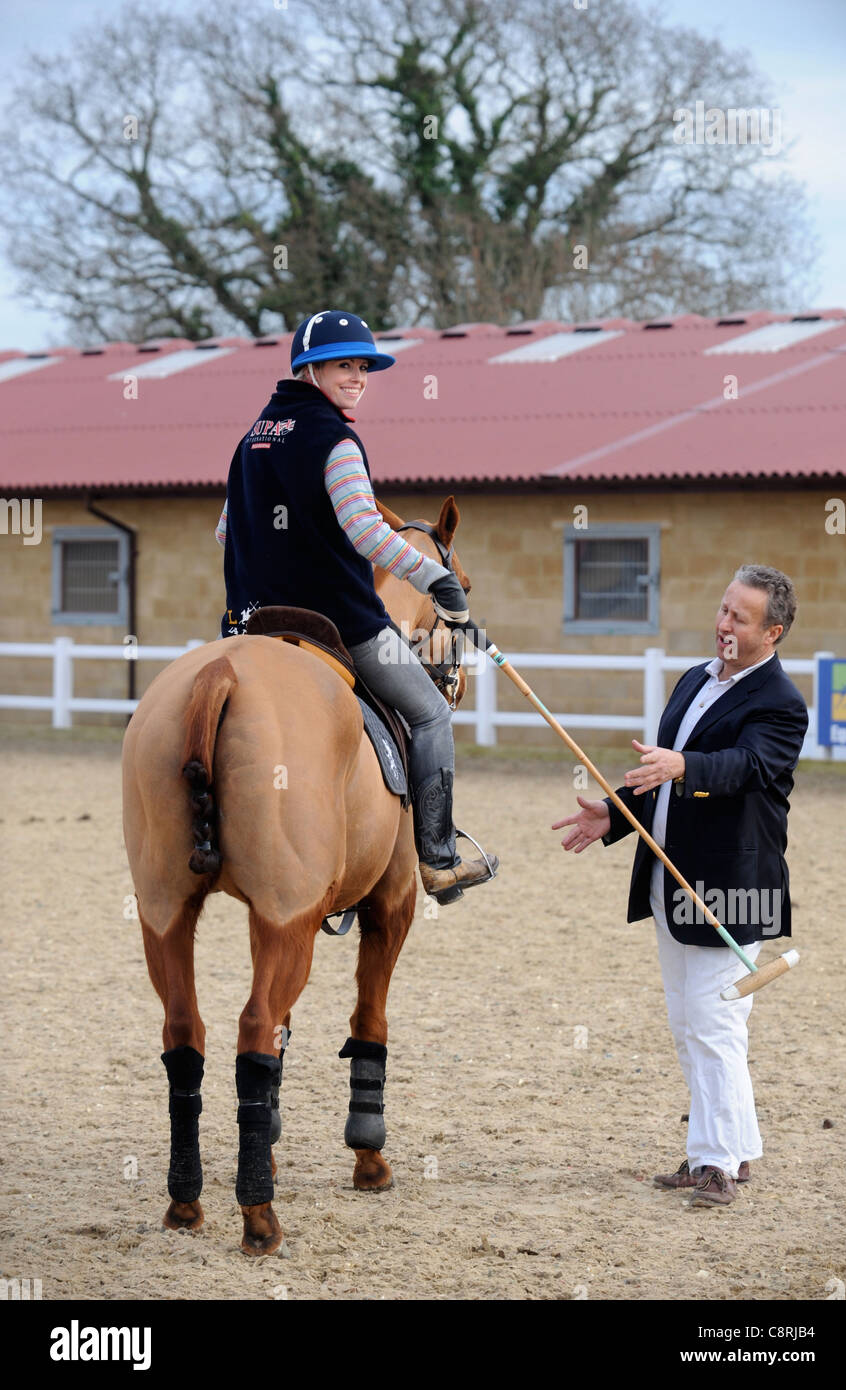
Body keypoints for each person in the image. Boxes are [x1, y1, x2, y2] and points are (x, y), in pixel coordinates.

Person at [216, 308, 497, 903]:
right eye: (345, 365)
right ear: (309, 369)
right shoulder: (337, 440)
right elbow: (365, 530)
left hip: (248, 626)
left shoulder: (250, 442)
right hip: (338, 624)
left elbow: (224, 533)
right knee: (429, 715)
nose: (359, 376)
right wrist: (434, 579)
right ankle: (440, 859)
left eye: (365, 367)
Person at [552, 566, 808, 1207]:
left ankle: (714, 1165)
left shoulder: (781, 703)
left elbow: (747, 767)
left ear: (772, 631)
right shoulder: (695, 679)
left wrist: (686, 765)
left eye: (740, 617)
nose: (724, 624)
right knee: (691, 1024)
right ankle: (730, 1150)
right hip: (671, 878)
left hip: (731, 884)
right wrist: (613, 813)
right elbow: (659, 772)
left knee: (715, 1024)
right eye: (723, 609)